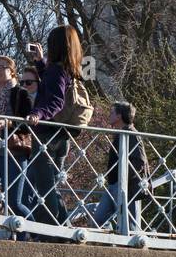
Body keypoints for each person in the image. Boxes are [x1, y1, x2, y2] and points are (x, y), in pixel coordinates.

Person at [25, 25, 86, 227]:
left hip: (47, 136)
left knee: (44, 188)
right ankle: (65, 229)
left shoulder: (56, 70)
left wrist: (37, 113)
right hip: (61, 135)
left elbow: (55, 101)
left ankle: (49, 232)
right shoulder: (68, 70)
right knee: (52, 186)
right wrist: (40, 63)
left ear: (55, 45)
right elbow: (54, 88)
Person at [0, 55, 34, 226]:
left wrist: (8, 123)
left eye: (1, 67)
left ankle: (35, 234)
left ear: (11, 71)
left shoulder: (21, 93)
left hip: (13, 152)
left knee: (14, 203)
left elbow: (29, 125)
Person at [87, 102, 148, 232]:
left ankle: (128, 249)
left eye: (112, 113)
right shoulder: (121, 133)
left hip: (127, 188)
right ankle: (111, 243)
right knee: (98, 220)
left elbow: (140, 161)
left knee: (131, 228)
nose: (109, 115)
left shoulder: (131, 133)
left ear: (119, 116)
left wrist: (124, 179)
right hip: (114, 185)